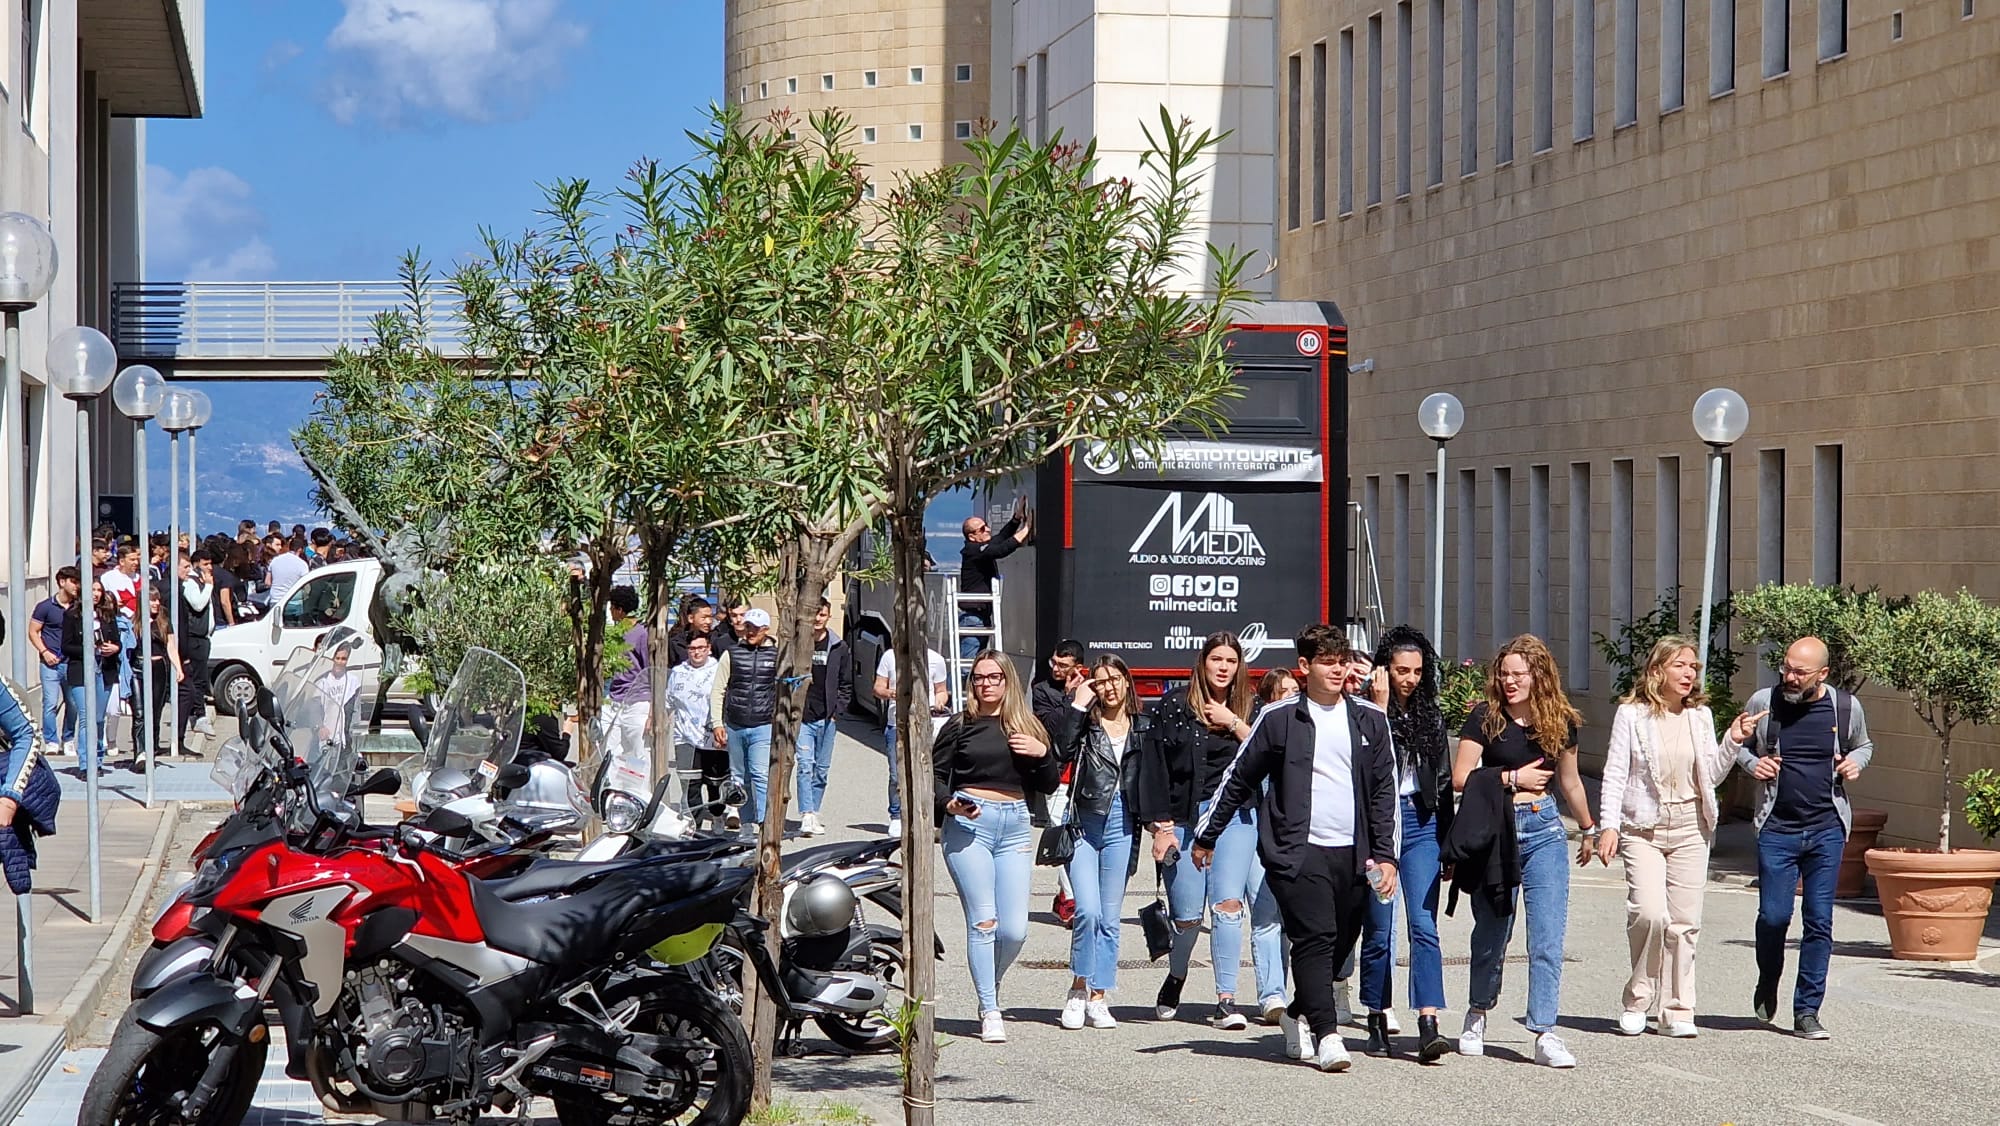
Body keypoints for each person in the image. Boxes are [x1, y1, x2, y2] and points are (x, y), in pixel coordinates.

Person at [1192, 625, 1400, 1073]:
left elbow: (1385, 790)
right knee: (1315, 937)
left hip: (1354, 853)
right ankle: (1327, 1035)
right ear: (1305, 666)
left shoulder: (1369, 718)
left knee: (1339, 943)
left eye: (1342, 662)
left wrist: (1387, 856)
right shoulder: (1279, 717)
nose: (1337, 670)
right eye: (1327, 662)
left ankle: (1296, 1013)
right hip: (1297, 850)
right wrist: (1208, 835)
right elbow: (1239, 777)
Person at [1450, 634, 1595, 1068]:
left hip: (1544, 827)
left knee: (1548, 936)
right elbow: (1461, 777)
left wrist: (1589, 827)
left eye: (1518, 674)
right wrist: (1512, 778)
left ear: (1539, 676)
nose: (1509, 682)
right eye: (1504, 674)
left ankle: (1545, 1031)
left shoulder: (1560, 721)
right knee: (1492, 932)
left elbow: (1570, 781)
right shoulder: (1485, 717)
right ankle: (1478, 1011)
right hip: (1498, 830)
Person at [1724, 635, 1872, 1041]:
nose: (1789, 677)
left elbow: (1864, 745)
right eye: (1786, 668)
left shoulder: (1845, 708)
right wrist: (1753, 764)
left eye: (1799, 672)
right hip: (1777, 828)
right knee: (1773, 917)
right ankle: (1768, 977)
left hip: (1827, 829)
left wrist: (1854, 763)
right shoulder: (1764, 702)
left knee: (1819, 920)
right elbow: (1737, 745)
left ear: (1822, 674)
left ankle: (1807, 1010)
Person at [1136, 631, 1286, 1030]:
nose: (1223, 667)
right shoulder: (1174, 705)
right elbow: (1155, 767)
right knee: (1187, 918)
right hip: (1184, 819)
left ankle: (1225, 1000)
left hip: (1235, 817)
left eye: (1231, 661)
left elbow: (1270, 755)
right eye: (1216, 659)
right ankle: (1177, 974)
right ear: (1202, 663)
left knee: (1227, 906)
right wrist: (1160, 827)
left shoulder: (1251, 707)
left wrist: (1232, 722)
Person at [1595, 635, 1733, 1039]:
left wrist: (1733, 741)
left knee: (1684, 923)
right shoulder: (1632, 715)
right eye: (1680, 665)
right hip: (1644, 827)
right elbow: (1615, 773)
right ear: (1657, 670)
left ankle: (1677, 1010)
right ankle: (1638, 997)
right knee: (1649, 913)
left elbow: (1712, 774)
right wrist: (1608, 825)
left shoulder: (1700, 716)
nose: (1689, 674)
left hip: (1691, 824)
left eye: (1693, 667)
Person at [936, 649, 1060, 1044]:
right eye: (978, 678)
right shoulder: (960, 725)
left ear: (1008, 681)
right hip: (970, 824)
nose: (985, 684)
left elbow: (1048, 784)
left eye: (994, 677)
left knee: (1015, 931)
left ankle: (990, 982)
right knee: (984, 922)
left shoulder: (1028, 726)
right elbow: (932, 775)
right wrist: (948, 803)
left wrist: (1043, 754)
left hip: (1015, 825)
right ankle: (990, 1009)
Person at [1356, 626, 1456, 1062]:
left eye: (1416, 671)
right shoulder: (1361, 712)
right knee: (1380, 928)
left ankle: (1428, 1023)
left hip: (1420, 822)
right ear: (1384, 670)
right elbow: (1363, 768)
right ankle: (1376, 1015)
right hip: (1378, 825)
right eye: (1401, 670)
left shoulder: (1431, 716)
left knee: (1424, 925)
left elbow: (1444, 782)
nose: (1410, 679)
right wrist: (1379, 709)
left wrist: (1448, 843)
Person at [1052, 655, 1148, 1031]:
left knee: (1109, 918)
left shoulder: (1143, 726)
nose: (1108, 687)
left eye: (1114, 679)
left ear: (1127, 681)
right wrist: (1078, 704)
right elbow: (1060, 750)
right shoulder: (1087, 726)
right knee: (1087, 911)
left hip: (1123, 824)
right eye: (1100, 681)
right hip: (1085, 822)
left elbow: (1155, 775)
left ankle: (1099, 996)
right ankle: (1078, 988)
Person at [709, 607, 778, 834]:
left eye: (755, 628)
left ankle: (764, 823)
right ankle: (745, 822)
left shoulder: (776, 655)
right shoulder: (732, 654)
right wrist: (717, 723)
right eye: (748, 627)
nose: (750, 632)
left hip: (763, 724)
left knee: (760, 774)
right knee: (739, 776)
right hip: (735, 723)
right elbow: (718, 689)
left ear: (765, 629)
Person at [873, 639, 949, 839]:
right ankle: (896, 815)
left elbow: (941, 690)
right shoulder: (890, 656)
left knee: (928, 771)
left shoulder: (936, 659)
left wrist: (940, 701)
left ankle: (928, 815)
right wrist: (892, 693)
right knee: (896, 773)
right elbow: (878, 688)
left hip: (927, 723)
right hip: (897, 722)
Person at [797, 598, 851, 836]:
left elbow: (845, 682)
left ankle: (815, 811)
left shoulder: (838, 647)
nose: (818, 618)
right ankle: (806, 814)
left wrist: (837, 711)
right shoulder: (799, 643)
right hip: (803, 717)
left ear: (829, 616)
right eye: (815, 614)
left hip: (827, 718)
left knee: (821, 769)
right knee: (805, 765)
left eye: (823, 614)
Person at [957, 500, 1031, 659]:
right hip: (973, 618)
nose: (988, 529)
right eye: (982, 529)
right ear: (972, 536)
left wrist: (1016, 519)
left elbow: (1000, 538)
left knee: (976, 662)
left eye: (986, 526)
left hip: (980, 616)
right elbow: (1001, 550)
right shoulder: (972, 550)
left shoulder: (980, 549)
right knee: (968, 665)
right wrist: (1026, 530)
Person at [62, 581, 122, 774]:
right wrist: (89, 649)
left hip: (104, 670)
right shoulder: (72, 615)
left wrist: (114, 648)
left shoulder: (107, 615)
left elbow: (118, 642)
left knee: (98, 718)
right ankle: (86, 764)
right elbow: (66, 646)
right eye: (92, 589)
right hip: (81, 671)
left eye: (99, 590)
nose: (96, 594)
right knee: (86, 717)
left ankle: (97, 759)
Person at [599, 586, 652, 794]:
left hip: (638, 700)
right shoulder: (614, 634)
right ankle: (614, 791)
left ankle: (637, 793)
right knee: (612, 749)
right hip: (614, 698)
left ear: (619, 609)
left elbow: (649, 669)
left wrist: (652, 711)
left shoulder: (642, 634)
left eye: (612, 608)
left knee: (638, 751)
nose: (611, 612)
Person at [667, 634, 726, 815]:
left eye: (701, 648)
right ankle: (695, 824)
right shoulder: (678, 672)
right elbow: (668, 702)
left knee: (714, 783)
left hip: (711, 735)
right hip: (684, 736)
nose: (697, 653)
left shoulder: (718, 669)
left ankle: (717, 817)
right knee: (690, 784)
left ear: (708, 649)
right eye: (692, 649)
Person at [29, 568, 81, 752]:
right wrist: (44, 652)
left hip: (72, 662)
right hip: (50, 663)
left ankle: (68, 739)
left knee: (73, 703)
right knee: (50, 702)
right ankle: (51, 741)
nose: (77, 586)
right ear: (62, 582)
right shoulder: (45, 607)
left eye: (78, 582)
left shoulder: (79, 606)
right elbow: (33, 631)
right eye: (73, 581)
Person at [131, 586, 182, 764]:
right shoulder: (134, 622)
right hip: (138, 668)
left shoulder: (164, 621)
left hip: (158, 667)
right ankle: (140, 753)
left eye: (157, 599)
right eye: (152, 600)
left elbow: (171, 647)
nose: (156, 603)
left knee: (154, 712)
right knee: (139, 712)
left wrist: (178, 668)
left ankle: (151, 748)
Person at [177, 550, 218, 751]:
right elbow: (198, 604)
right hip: (194, 638)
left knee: (201, 678)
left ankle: (198, 713)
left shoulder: (200, 581)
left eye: (210, 564)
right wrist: (208, 586)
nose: (209, 568)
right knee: (196, 679)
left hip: (203, 638)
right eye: (205, 564)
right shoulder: (191, 583)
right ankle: (198, 715)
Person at [668, 596, 716, 667]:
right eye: (704, 618)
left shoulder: (715, 640)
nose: (708, 621)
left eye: (710, 617)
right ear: (691, 618)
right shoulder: (677, 643)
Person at [266, 535, 310, 609]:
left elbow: (267, 582)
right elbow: (307, 587)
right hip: (294, 602)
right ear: (300, 550)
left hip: (276, 601)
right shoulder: (302, 564)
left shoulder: (275, 560)